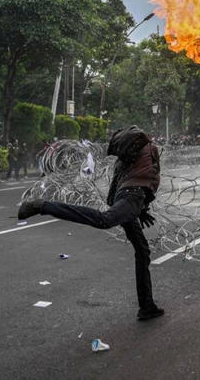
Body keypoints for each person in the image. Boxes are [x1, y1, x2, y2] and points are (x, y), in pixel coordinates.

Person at [19, 126, 164, 320]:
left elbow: (117, 191)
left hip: (128, 198)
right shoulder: (150, 149)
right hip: (133, 197)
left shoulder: (123, 161)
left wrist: (139, 209)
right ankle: (42, 206)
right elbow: (150, 179)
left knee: (142, 250)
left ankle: (147, 306)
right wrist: (138, 205)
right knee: (105, 220)